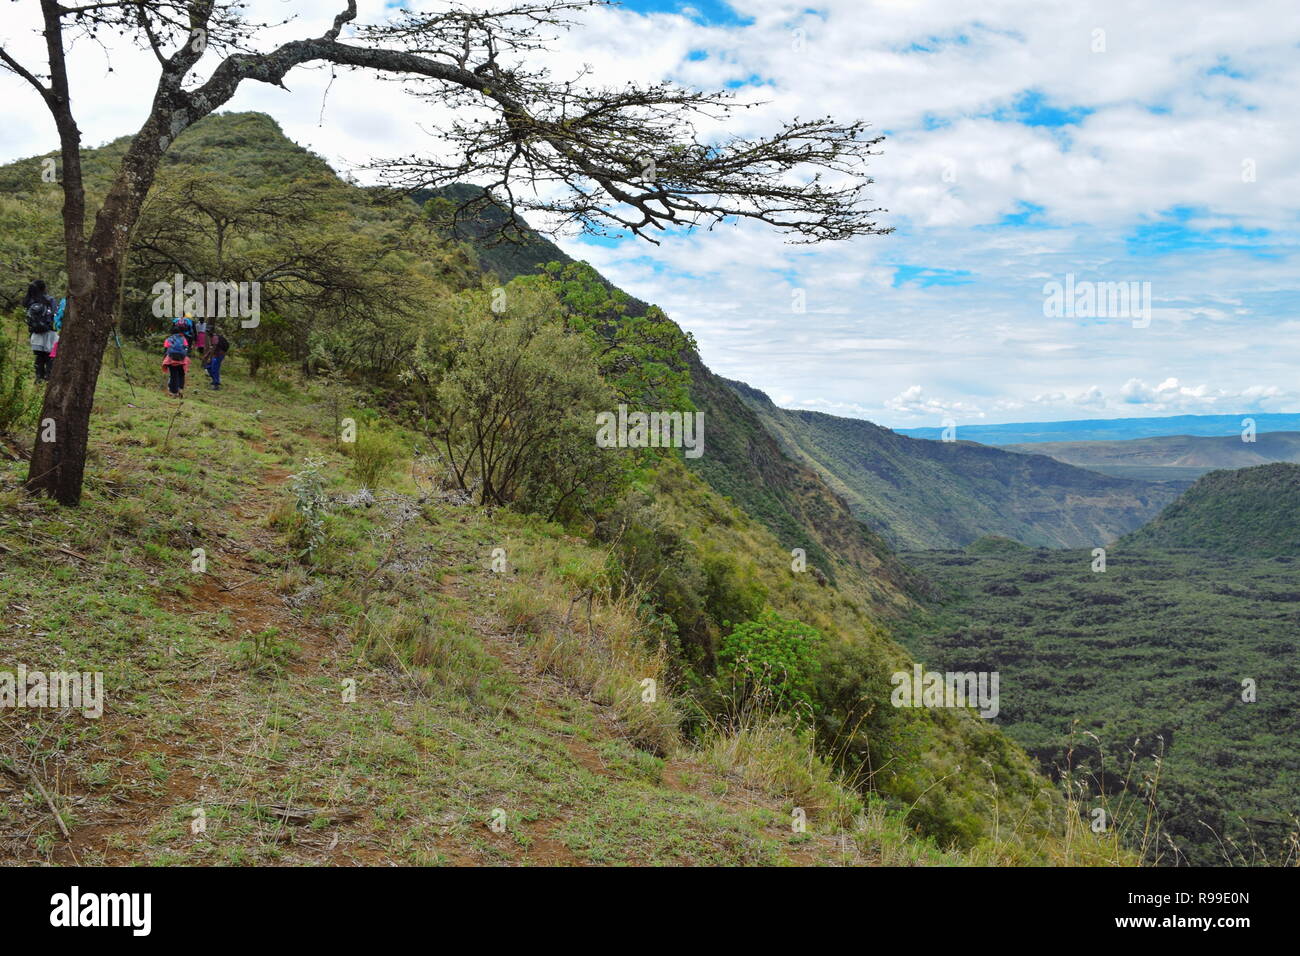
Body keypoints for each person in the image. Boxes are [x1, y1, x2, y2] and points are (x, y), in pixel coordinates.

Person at [23, 280, 57, 382]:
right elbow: (54, 315)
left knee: (39, 356)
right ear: (43, 288)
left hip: (35, 333)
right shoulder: (49, 299)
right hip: (49, 332)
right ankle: (48, 378)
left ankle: (38, 378)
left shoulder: (29, 301)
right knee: (50, 356)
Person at [162, 327, 190, 398]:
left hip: (172, 359)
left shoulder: (169, 339)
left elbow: (166, 350)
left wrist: (164, 359)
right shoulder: (183, 338)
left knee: (173, 375)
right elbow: (186, 348)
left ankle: (174, 392)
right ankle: (180, 389)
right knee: (181, 374)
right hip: (182, 359)